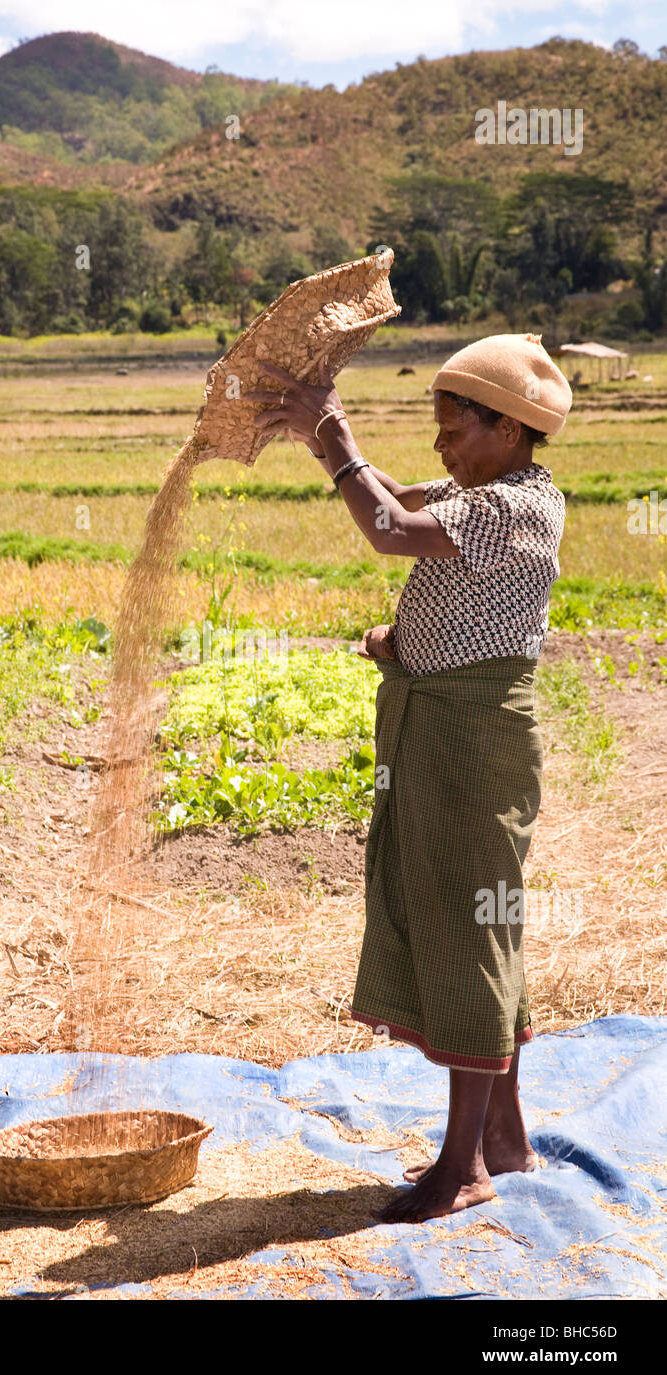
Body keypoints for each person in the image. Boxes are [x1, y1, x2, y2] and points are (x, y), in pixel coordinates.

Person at [245, 333, 572, 1223]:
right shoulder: (482, 493)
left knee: (474, 928)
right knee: (467, 920)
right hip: (442, 730)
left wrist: (338, 434)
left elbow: (388, 531)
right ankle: (504, 1138)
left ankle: (463, 1169)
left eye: (453, 426)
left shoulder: (516, 507)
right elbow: (391, 498)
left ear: (508, 428)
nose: (440, 445)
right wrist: (323, 434)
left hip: (474, 745)